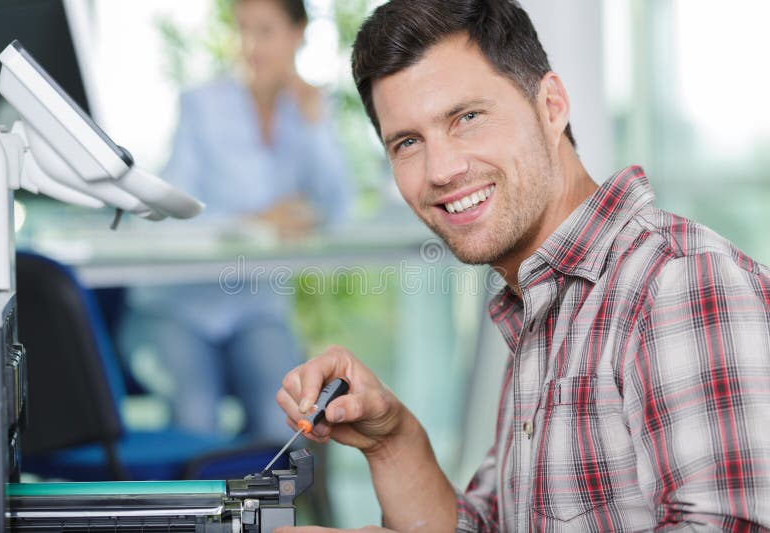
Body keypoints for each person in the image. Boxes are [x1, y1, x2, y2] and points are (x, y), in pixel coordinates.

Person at [273, 0, 770, 531]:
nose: (441, 170)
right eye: (409, 142)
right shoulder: (542, 306)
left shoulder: (679, 282)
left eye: (467, 117)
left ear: (552, 105)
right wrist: (393, 439)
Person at [119, 0, 349, 443]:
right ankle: (196, 515)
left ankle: (274, 515)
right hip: (180, 307)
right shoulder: (201, 105)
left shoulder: (310, 111)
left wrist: (316, 123)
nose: (250, 46)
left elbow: (335, 210)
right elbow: (171, 213)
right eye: (242, 30)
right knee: (196, 415)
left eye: (264, 31)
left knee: (287, 420)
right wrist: (257, 222)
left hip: (255, 307)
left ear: (297, 34)